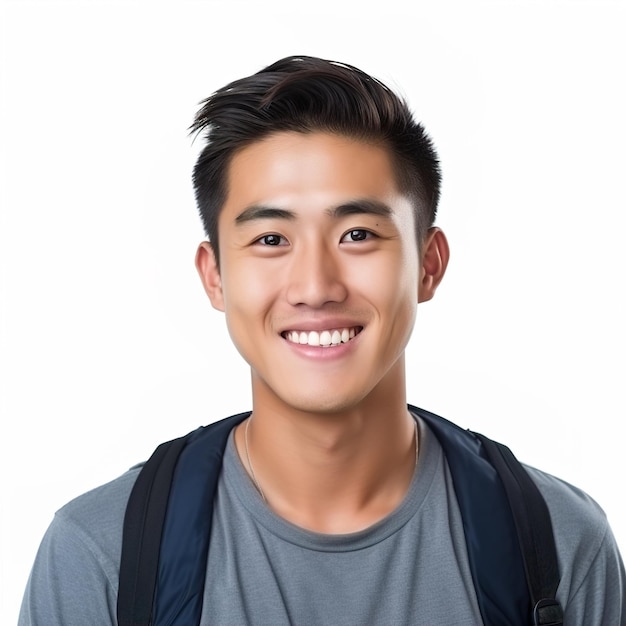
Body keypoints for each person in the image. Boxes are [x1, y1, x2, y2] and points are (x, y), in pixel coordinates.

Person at [19, 55, 625, 625]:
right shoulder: (100, 553)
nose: (315, 287)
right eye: (271, 240)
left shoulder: (558, 545)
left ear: (429, 265)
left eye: (358, 233)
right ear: (215, 276)